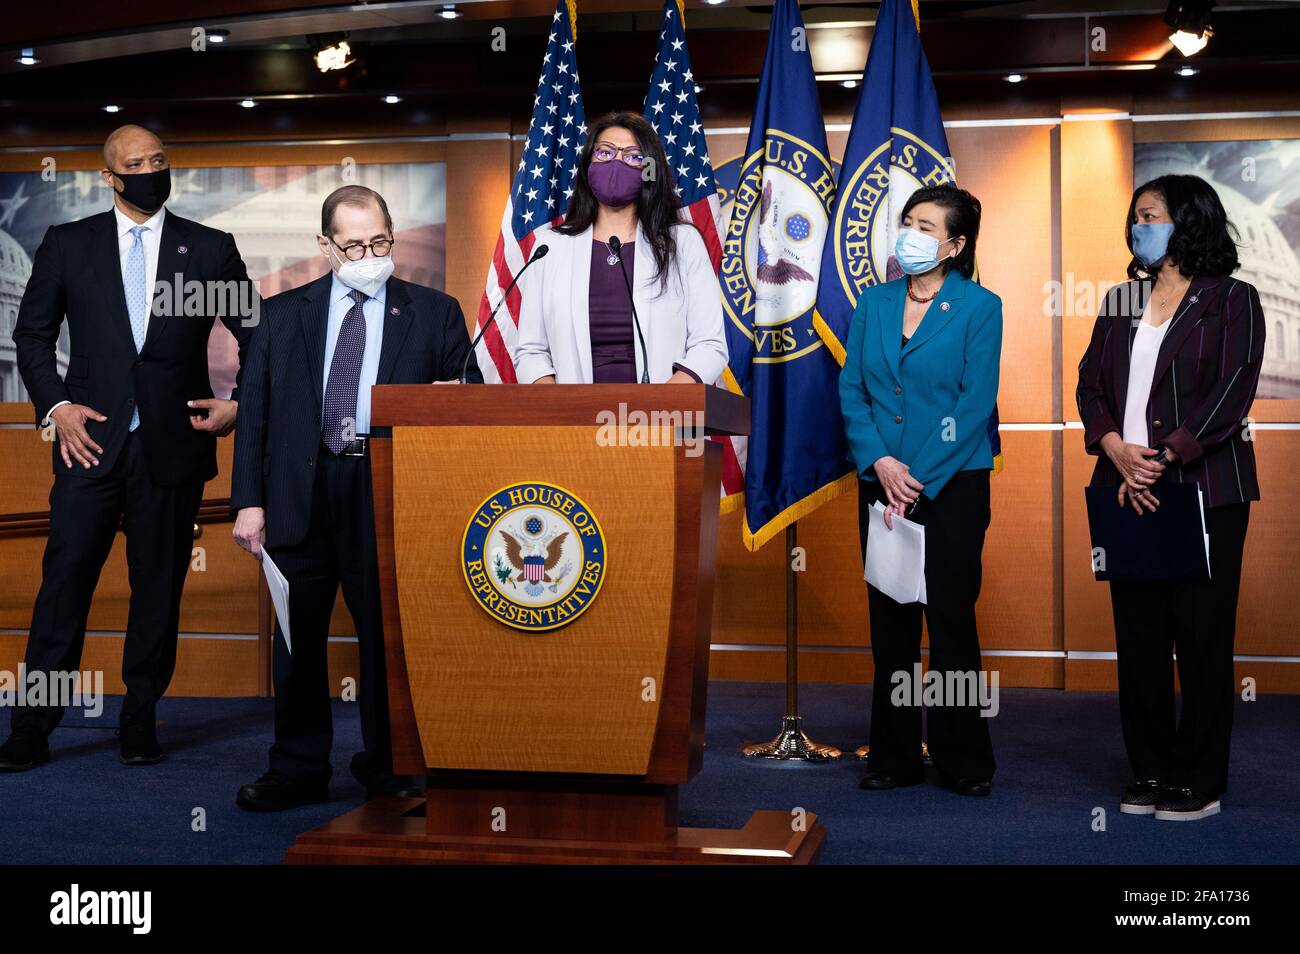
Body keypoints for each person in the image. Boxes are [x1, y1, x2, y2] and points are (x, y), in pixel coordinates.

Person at [1, 125, 255, 771]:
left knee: (158, 590)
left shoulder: (210, 248)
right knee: (63, 588)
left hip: (174, 448)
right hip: (87, 447)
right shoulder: (69, 244)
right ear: (111, 177)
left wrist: (240, 403)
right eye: (135, 163)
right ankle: (31, 728)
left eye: (159, 159)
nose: (150, 169)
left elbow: (262, 335)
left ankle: (139, 722)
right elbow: (31, 336)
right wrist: (56, 407)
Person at [229, 184, 481, 810]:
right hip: (299, 494)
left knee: (387, 639)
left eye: (380, 242)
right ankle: (297, 768)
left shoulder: (435, 311)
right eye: (354, 245)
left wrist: (454, 397)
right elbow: (254, 415)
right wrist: (248, 502)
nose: (370, 254)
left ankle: (390, 768)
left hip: (387, 491)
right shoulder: (282, 314)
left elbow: (469, 395)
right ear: (325, 245)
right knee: (297, 644)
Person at [1076, 174, 1264, 822]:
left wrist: (1168, 453)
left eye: (1150, 215)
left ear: (1187, 222)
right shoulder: (1122, 299)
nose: (1138, 227)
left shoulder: (1233, 300)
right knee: (1141, 641)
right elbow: (1089, 387)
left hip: (1203, 492)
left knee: (1203, 638)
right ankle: (1150, 770)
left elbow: (1232, 387)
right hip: (1125, 489)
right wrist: (1112, 446)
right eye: (1135, 218)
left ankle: (1198, 780)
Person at [838, 184, 1002, 796]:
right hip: (881, 483)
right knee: (892, 623)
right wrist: (880, 462)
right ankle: (894, 756)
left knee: (951, 622)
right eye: (908, 221)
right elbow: (853, 390)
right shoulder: (873, 304)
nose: (911, 232)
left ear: (955, 245)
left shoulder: (981, 307)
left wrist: (917, 479)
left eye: (927, 225)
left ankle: (963, 759)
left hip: (952, 488)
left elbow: (974, 402)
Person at [513, 110, 727, 386]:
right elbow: (531, 351)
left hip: (664, 419)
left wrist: (661, 408)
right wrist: (561, 415)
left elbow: (709, 345)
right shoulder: (550, 247)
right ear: (588, 166)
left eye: (633, 157)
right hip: (574, 421)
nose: (617, 162)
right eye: (605, 153)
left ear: (649, 170)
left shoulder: (682, 243)